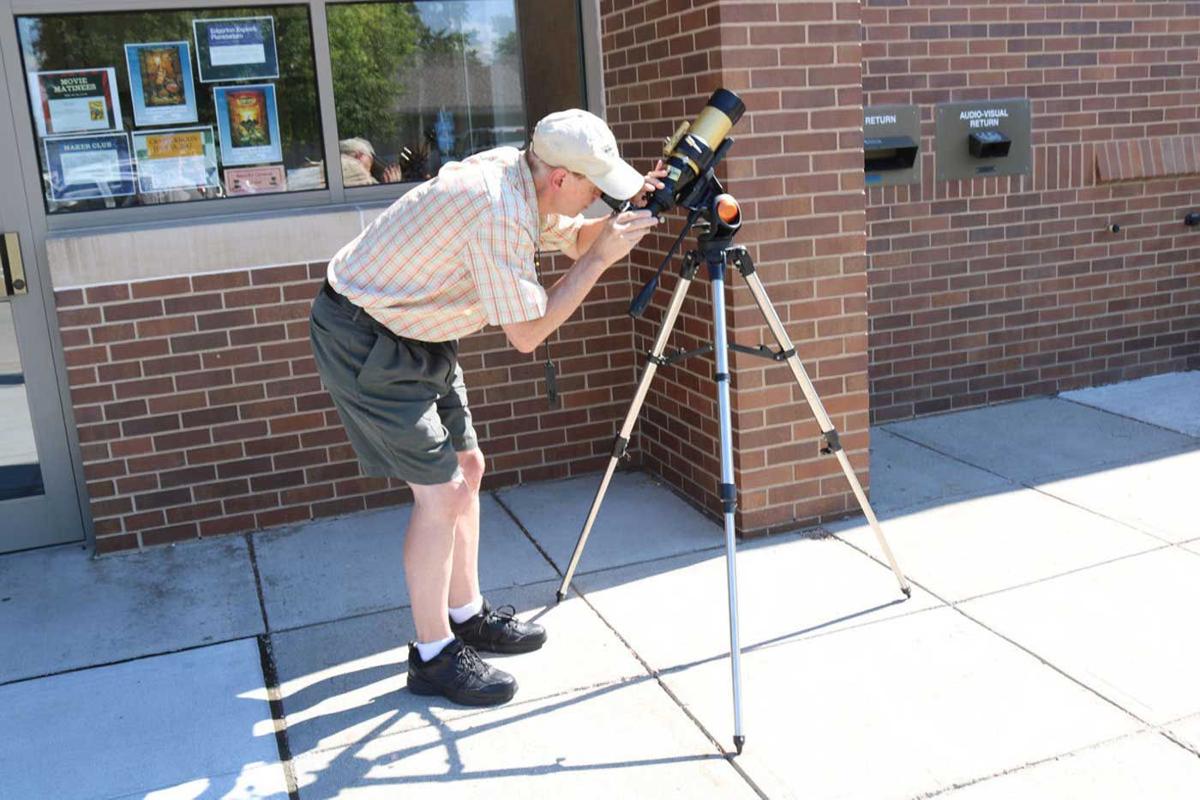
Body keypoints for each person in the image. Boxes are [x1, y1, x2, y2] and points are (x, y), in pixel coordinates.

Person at [310, 109, 663, 707]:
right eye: (595, 187)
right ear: (560, 179)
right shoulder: (496, 209)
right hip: (365, 336)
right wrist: (601, 259)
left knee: (468, 470)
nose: (597, 197)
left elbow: (577, 235)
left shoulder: (522, 173)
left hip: (420, 330)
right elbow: (528, 333)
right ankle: (431, 655)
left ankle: (466, 614)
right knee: (442, 492)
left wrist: (619, 221)